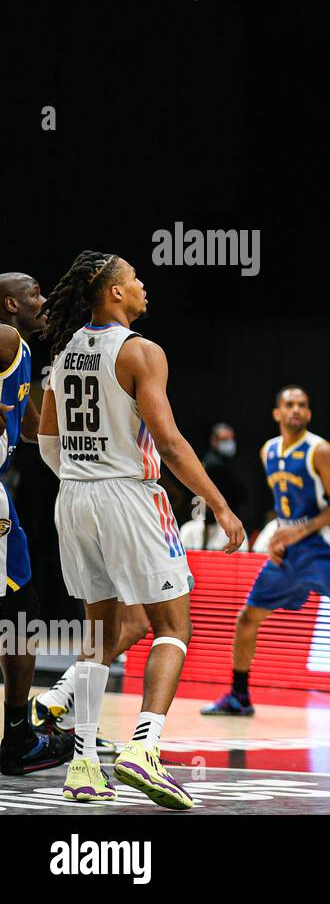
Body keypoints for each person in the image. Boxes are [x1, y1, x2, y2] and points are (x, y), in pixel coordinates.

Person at [38, 251, 246, 809]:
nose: (142, 286)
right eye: (134, 280)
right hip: (130, 496)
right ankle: (143, 749)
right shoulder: (140, 351)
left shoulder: (61, 353)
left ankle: (82, 765)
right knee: (173, 626)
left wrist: (83, 479)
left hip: (73, 498)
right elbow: (172, 442)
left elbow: (46, 440)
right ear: (113, 294)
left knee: (99, 637)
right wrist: (220, 506)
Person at [201, 387, 330, 717]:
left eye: (302, 405)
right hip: (289, 550)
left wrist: (299, 530)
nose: (296, 410)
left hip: (318, 544)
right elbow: (285, 506)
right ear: (277, 413)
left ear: (309, 414)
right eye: (289, 405)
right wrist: (278, 536)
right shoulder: (268, 451)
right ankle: (239, 696)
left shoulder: (320, 450)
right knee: (247, 619)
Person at [0, 272, 74, 777]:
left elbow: (29, 427)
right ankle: (19, 736)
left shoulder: (19, 350)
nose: (42, 300)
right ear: (10, 303)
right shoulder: (4, 335)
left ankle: (20, 735)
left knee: (19, 613)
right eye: (34, 294)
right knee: (20, 614)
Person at [201, 422, 247, 526]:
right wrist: (200, 521)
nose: (229, 443)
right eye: (225, 440)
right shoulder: (212, 464)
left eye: (231, 439)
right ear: (214, 441)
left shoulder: (228, 462)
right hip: (213, 521)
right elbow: (198, 495)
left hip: (226, 518)